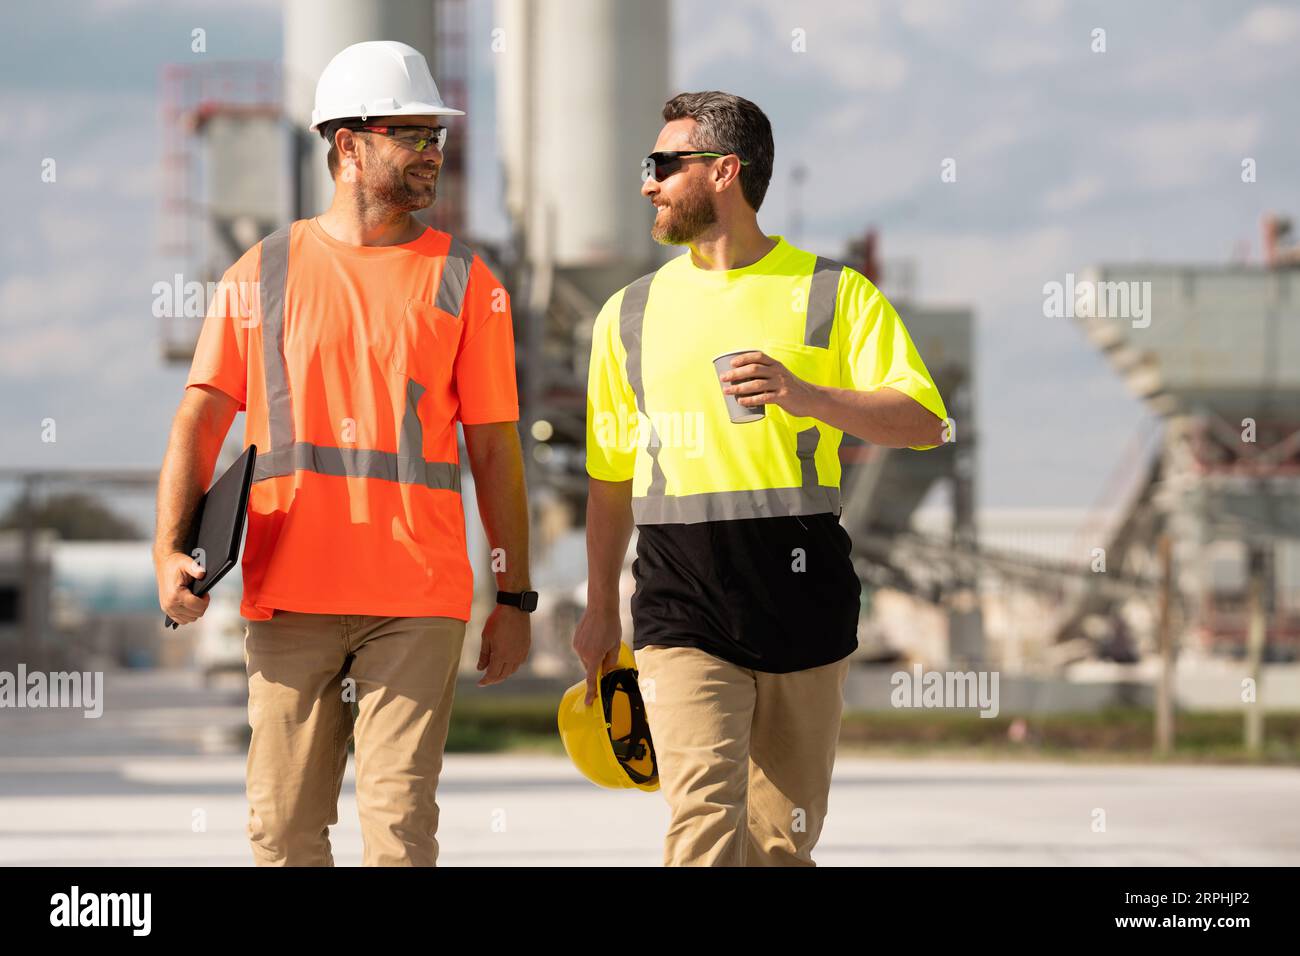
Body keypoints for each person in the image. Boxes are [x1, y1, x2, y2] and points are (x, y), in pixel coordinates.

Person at [153, 40, 538, 866]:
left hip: (419, 597)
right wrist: (168, 554)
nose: (434, 153)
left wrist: (517, 594)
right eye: (413, 135)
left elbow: (496, 448)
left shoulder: (468, 280)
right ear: (349, 146)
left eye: (438, 137)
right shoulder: (261, 273)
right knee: (284, 831)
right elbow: (200, 421)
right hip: (289, 594)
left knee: (398, 830)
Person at [575, 91, 949, 866]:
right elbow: (610, 477)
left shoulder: (833, 294)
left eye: (662, 165)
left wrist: (809, 395)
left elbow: (926, 422)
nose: (646, 183)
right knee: (704, 829)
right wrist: (598, 608)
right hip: (681, 605)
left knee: (782, 844)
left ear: (723, 172)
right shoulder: (628, 314)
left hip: (802, 604)